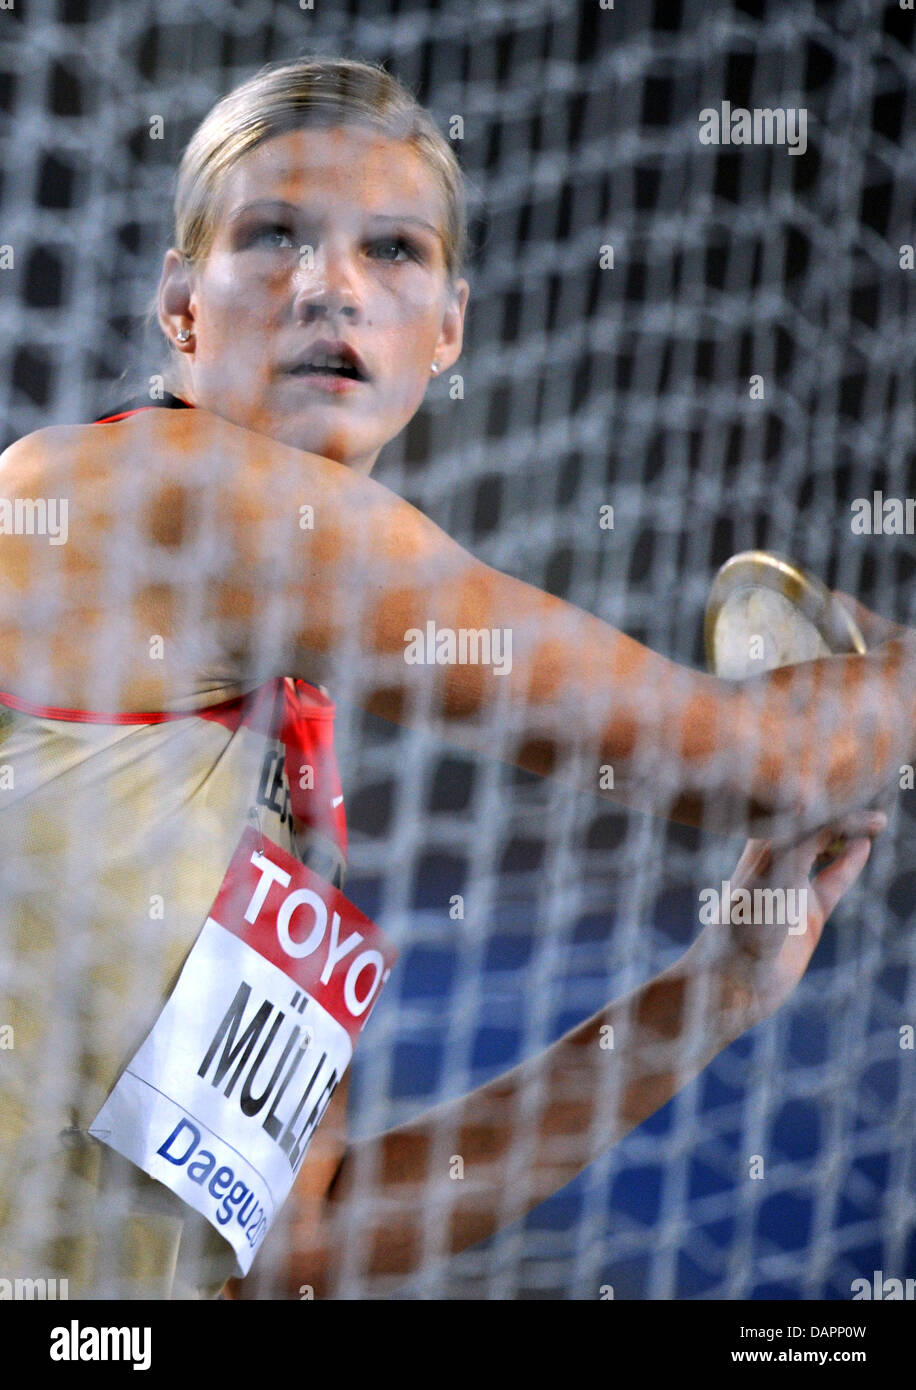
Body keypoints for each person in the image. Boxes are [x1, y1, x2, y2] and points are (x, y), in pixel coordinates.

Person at [0, 56, 907, 1300]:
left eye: (393, 250)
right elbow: (770, 764)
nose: (331, 286)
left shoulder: (282, 764)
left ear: (448, 329)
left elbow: (299, 1243)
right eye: (272, 236)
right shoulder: (159, 492)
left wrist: (716, 987)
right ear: (181, 305)